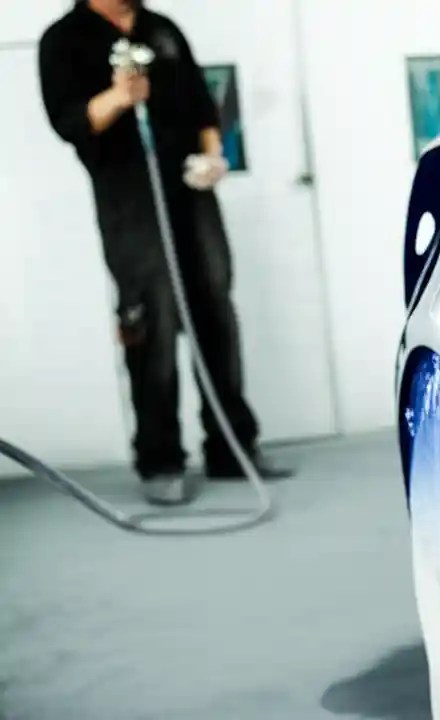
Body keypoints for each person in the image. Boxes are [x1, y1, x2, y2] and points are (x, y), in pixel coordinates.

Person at [38, 0, 291, 505]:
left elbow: (201, 104)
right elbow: (69, 121)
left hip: (190, 187)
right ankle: (159, 461)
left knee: (215, 311)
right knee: (149, 320)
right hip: (130, 197)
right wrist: (118, 96)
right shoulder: (64, 39)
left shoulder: (163, 29)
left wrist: (214, 157)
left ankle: (232, 446)